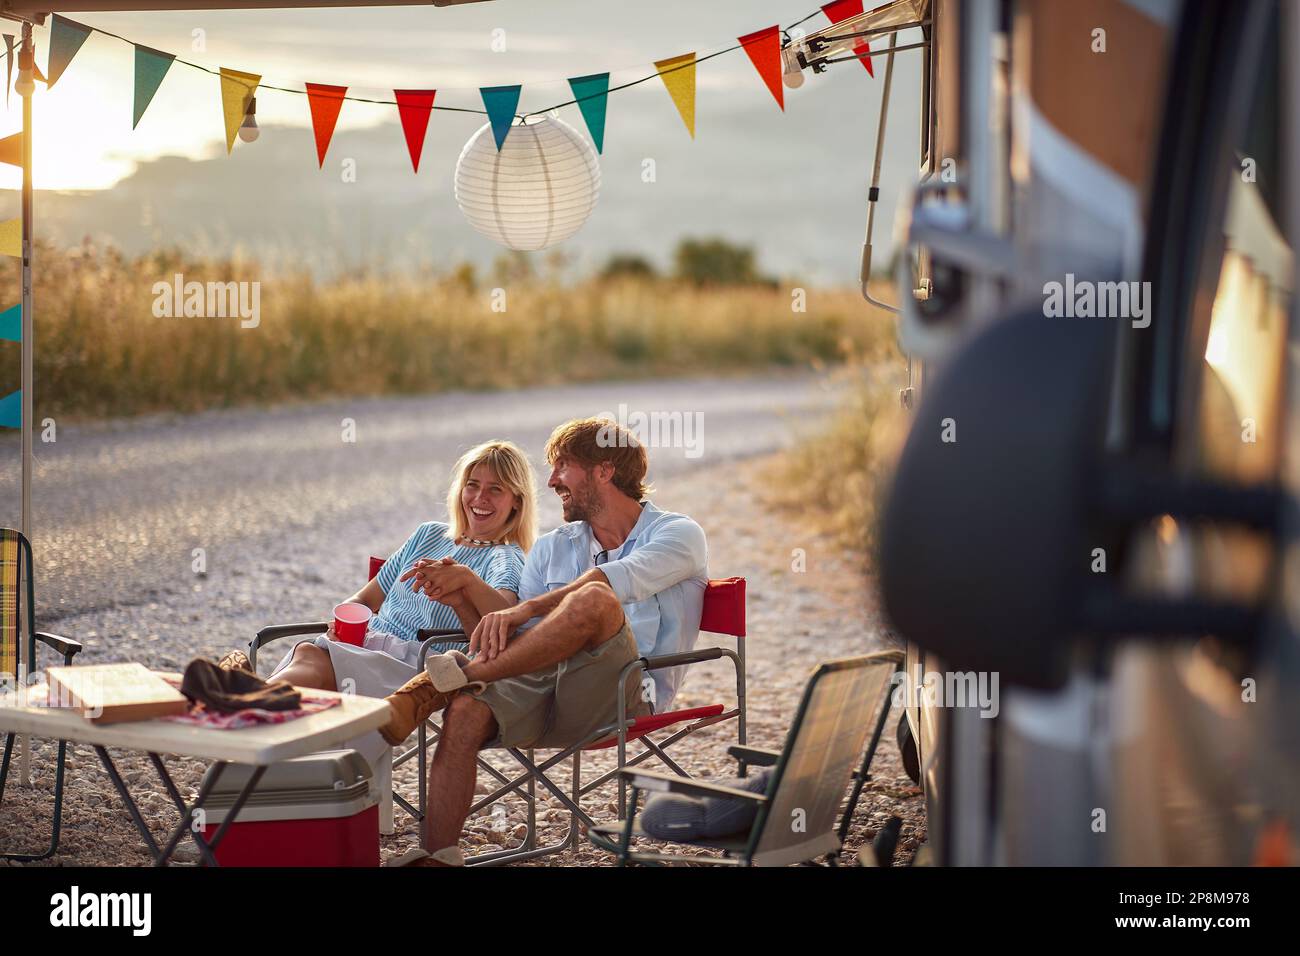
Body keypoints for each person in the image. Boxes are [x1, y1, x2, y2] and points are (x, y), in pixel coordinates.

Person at [379, 417, 708, 867]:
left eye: (563, 467)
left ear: (604, 471)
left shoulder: (679, 534)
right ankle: (438, 855)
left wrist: (525, 607)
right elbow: (515, 641)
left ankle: (448, 682)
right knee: (468, 709)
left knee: (593, 597)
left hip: (624, 695)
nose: (551, 481)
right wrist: (461, 599)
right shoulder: (553, 546)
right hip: (544, 686)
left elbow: (609, 583)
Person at [220, 439, 537, 767]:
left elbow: (504, 618)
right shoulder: (428, 534)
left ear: (516, 502)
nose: (480, 498)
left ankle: (243, 703)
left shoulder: (505, 558)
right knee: (310, 652)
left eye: (495, 489)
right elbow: (366, 598)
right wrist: (343, 619)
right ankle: (251, 705)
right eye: (472, 485)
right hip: (368, 645)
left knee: (318, 669)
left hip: (417, 667)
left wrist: (468, 581)